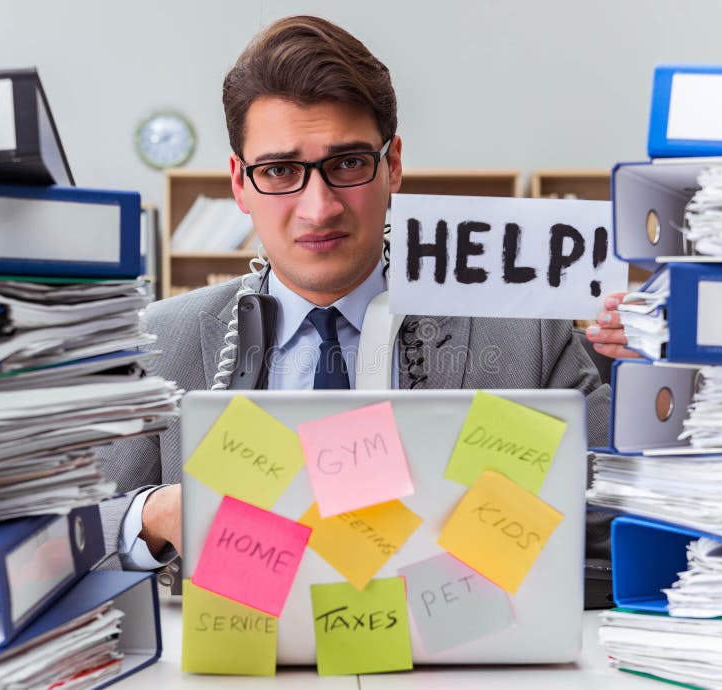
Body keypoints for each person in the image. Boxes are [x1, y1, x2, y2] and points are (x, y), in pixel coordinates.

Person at [97, 15, 611, 573]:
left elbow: (620, 513)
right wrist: (151, 517)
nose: (319, 208)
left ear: (391, 165)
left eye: (346, 163)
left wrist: (658, 370)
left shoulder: (523, 331)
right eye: (278, 169)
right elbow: (57, 540)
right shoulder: (152, 344)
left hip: (456, 652)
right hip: (233, 656)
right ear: (240, 183)